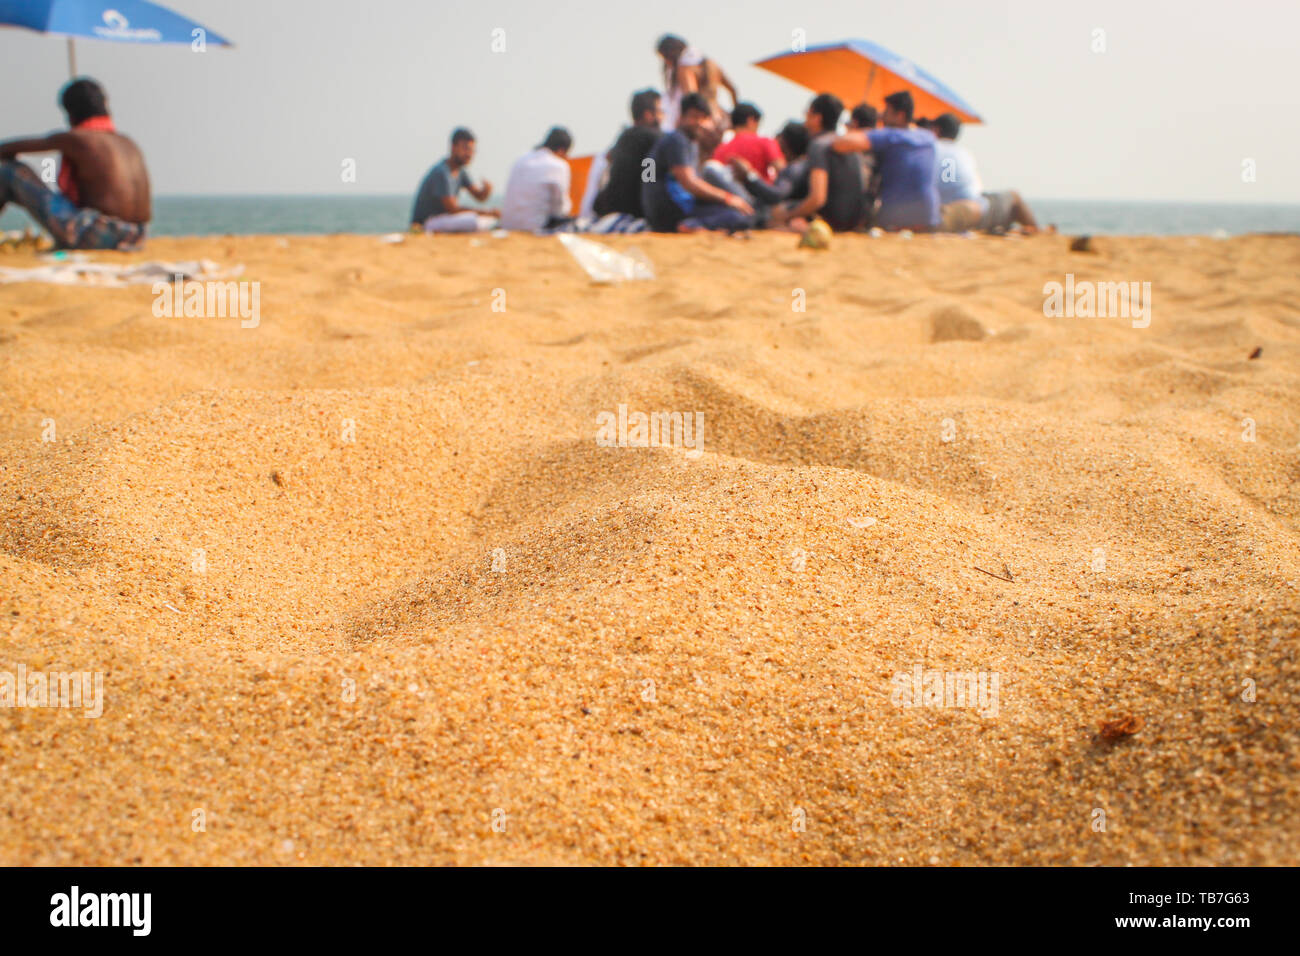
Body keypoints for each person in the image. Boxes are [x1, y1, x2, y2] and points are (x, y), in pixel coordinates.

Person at [0, 78, 149, 250]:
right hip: (137, 237)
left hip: (97, 233)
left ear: (71, 113)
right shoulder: (127, 142)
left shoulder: (79, 139)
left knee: (9, 171)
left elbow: (5, 149)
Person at [640, 92, 753, 233]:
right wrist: (728, 198)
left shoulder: (687, 141)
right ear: (682, 117)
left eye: (703, 118)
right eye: (694, 117)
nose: (699, 122)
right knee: (737, 217)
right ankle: (692, 225)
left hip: (665, 209)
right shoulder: (677, 140)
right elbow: (689, 182)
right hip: (669, 211)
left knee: (739, 215)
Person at [831, 90, 939, 232]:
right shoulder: (928, 137)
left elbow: (840, 144)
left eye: (887, 111)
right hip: (929, 218)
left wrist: (869, 131)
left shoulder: (889, 136)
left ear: (900, 115)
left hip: (897, 220)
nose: (882, 116)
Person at [930, 112, 1043, 234]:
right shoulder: (964, 153)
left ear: (936, 130)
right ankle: (1036, 231)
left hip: (948, 211)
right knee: (1013, 197)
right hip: (974, 212)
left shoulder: (930, 149)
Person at [771, 93, 864, 233]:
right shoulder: (847, 144)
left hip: (831, 224)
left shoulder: (818, 146)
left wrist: (787, 215)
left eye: (807, 113)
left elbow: (818, 198)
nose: (805, 118)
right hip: (855, 222)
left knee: (776, 214)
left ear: (817, 118)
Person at [593, 89, 663, 219]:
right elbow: (650, 177)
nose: (663, 116)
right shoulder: (654, 139)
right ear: (648, 114)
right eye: (660, 112)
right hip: (634, 212)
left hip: (609, 209)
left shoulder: (623, 138)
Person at [727, 120, 811, 228]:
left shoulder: (795, 168)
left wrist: (749, 176)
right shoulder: (801, 165)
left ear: (784, 142)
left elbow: (777, 195)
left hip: (777, 216)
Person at [410, 128, 495, 232]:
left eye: (472, 150)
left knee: (486, 220)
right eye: (465, 148)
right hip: (428, 222)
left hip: (445, 219)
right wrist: (486, 212)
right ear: (453, 147)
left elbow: (479, 196)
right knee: (474, 222)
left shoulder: (460, 172)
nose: (469, 154)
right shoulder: (442, 172)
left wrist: (486, 191)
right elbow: (452, 209)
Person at [655, 34, 738, 132]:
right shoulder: (711, 64)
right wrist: (737, 116)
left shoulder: (684, 69)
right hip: (717, 119)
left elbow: (692, 100)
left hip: (699, 125)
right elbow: (733, 90)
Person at [500, 127, 574, 232]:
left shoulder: (520, 160)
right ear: (562, 150)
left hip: (508, 225)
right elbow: (561, 208)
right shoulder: (559, 165)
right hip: (537, 228)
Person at [712, 103, 783, 183]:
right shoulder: (765, 142)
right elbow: (783, 171)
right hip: (760, 193)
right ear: (751, 120)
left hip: (728, 193)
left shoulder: (720, 150)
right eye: (758, 124)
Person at [848, 103, 881, 227]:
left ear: (855, 123)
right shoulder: (881, 148)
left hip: (854, 212)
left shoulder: (850, 148)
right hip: (876, 213)